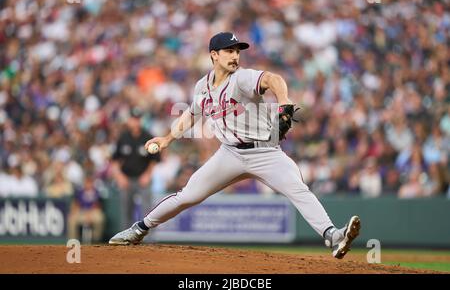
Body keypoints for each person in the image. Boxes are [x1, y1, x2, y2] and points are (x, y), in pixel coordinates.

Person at [109, 32, 361, 259]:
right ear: (214, 55)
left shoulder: (241, 79)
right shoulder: (202, 86)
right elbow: (192, 115)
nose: (235, 56)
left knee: (299, 190)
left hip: (266, 152)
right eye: (229, 51)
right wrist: (167, 139)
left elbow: (272, 79)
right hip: (229, 154)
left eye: (237, 51)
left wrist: (283, 99)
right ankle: (139, 229)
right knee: (187, 196)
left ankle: (333, 236)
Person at [111, 107, 160, 229]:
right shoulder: (123, 137)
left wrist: (147, 175)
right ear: (129, 120)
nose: (136, 122)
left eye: (138, 119)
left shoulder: (148, 137)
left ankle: (150, 240)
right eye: (133, 119)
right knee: (126, 211)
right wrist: (120, 177)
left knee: (148, 211)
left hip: (143, 179)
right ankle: (125, 237)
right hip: (126, 179)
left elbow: (154, 160)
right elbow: (115, 160)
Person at [68, 175, 105, 243]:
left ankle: (96, 240)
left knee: (100, 219)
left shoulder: (96, 192)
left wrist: (89, 215)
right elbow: (76, 204)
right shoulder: (80, 192)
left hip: (93, 212)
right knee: (72, 219)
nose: (88, 184)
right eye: (86, 182)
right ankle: (73, 241)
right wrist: (73, 212)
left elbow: (97, 205)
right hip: (81, 212)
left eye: (90, 182)